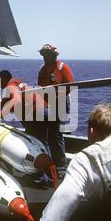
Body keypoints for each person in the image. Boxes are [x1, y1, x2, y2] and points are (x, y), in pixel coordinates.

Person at [38, 44, 74, 179]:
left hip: (59, 104)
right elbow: (40, 87)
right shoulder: (42, 70)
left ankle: (61, 167)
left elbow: (69, 87)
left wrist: (55, 96)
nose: (45, 57)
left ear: (54, 55)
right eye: (43, 54)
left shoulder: (62, 68)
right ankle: (47, 164)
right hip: (46, 105)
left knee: (55, 135)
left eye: (47, 54)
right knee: (43, 134)